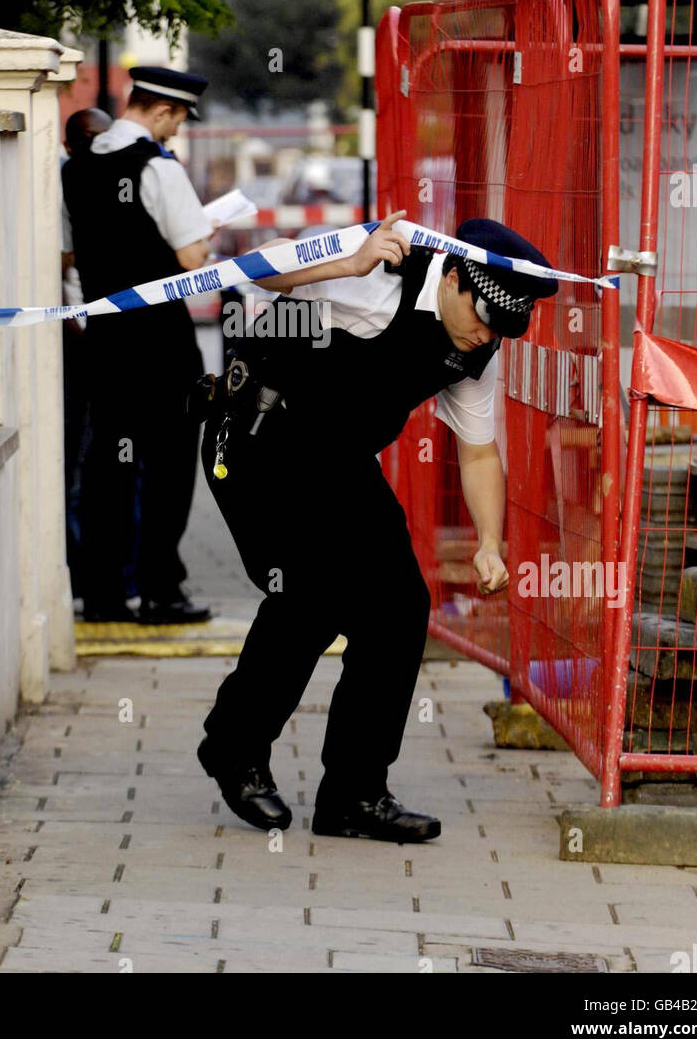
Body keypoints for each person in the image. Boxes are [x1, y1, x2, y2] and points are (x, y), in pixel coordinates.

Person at [195, 212, 558, 842]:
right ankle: (234, 748)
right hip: (260, 441)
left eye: (504, 328)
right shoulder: (374, 273)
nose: (486, 336)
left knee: (399, 606)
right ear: (452, 279)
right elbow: (252, 270)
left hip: (337, 463)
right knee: (311, 594)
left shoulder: (474, 351)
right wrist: (345, 262)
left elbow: (478, 453)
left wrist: (490, 543)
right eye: (484, 316)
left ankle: (355, 796)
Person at [62, 68, 216, 625]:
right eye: (176, 120)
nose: (175, 132)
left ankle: (103, 594)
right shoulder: (156, 165)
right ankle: (160, 591)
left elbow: (67, 259)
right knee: (170, 466)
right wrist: (207, 230)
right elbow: (191, 257)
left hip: (106, 340)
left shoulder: (76, 169)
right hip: (163, 342)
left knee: (109, 465)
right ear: (164, 112)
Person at [60, 108, 112, 611]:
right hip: (78, 336)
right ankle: (83, 576)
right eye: (93, 139)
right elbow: (61, 257)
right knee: (78, 459)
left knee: (99, 458)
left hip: (97, 333)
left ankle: (102, 578)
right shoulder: (68, 179)